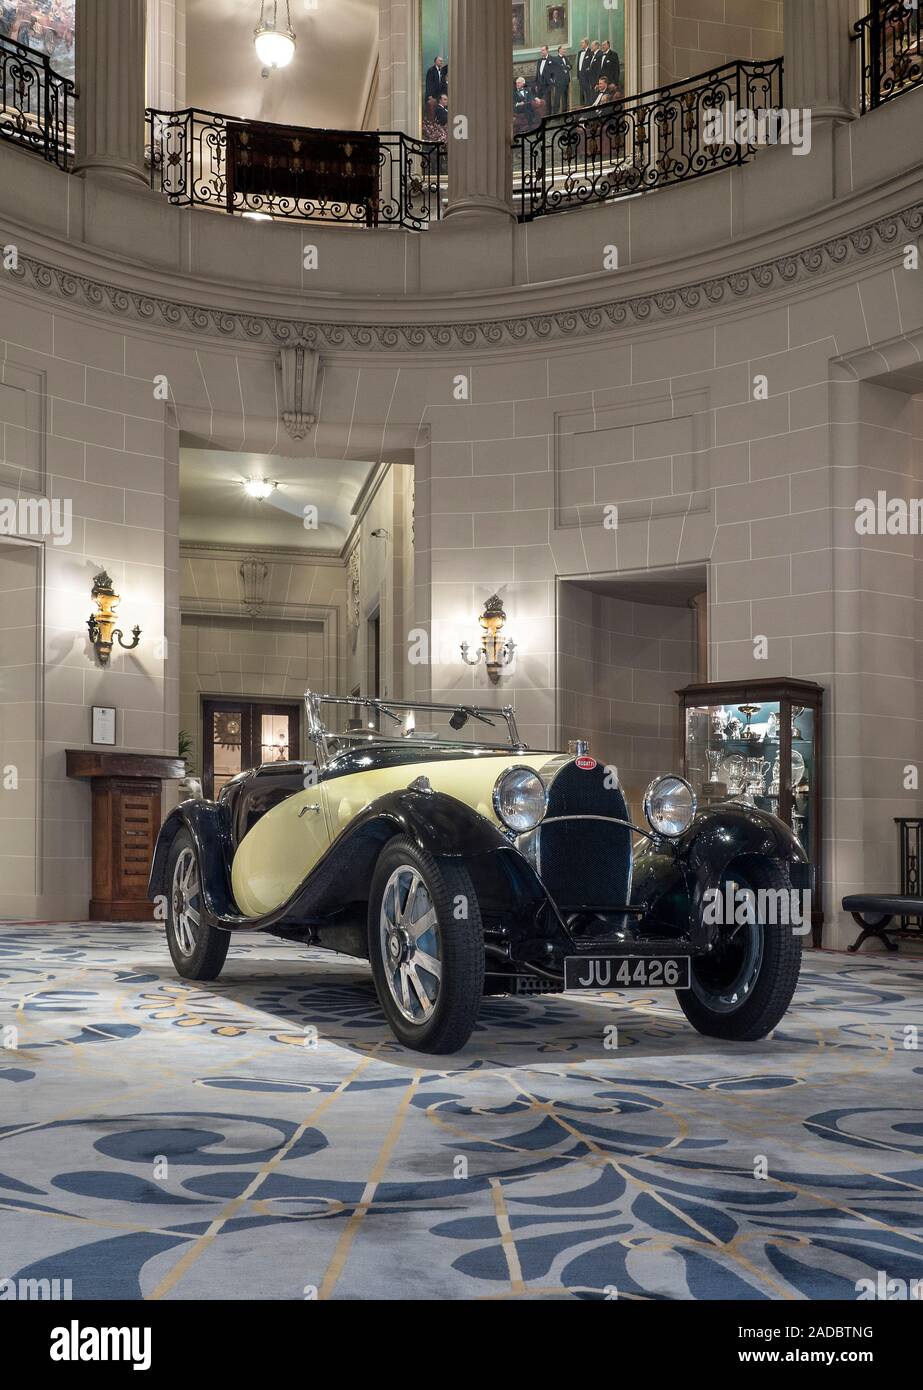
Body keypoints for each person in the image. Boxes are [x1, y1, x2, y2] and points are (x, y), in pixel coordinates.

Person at [551, 45, 572, 115]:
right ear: (559, 50)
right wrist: (566, 67)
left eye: (565, 49)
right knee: (557, 97)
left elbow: (570, 66)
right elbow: (560, 67)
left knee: (565, 97)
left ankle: (564, 112)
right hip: (559, 82)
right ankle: (555, 113)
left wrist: (565, 67)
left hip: (566, 81)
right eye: (563, 49)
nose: (564, 50)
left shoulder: (565, 57)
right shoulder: (555, 58)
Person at [576, 37, 594, 106]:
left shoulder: (590, 51)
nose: (581, 44)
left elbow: (591, 64)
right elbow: (578, 64)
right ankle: (582, 105)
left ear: (586, 43)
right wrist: (578, 74)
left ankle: (589, 105)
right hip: (581, 75)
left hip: (587, 75)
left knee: (587, 91)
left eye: (582, 43)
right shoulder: (580, 52)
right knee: (581, 91)